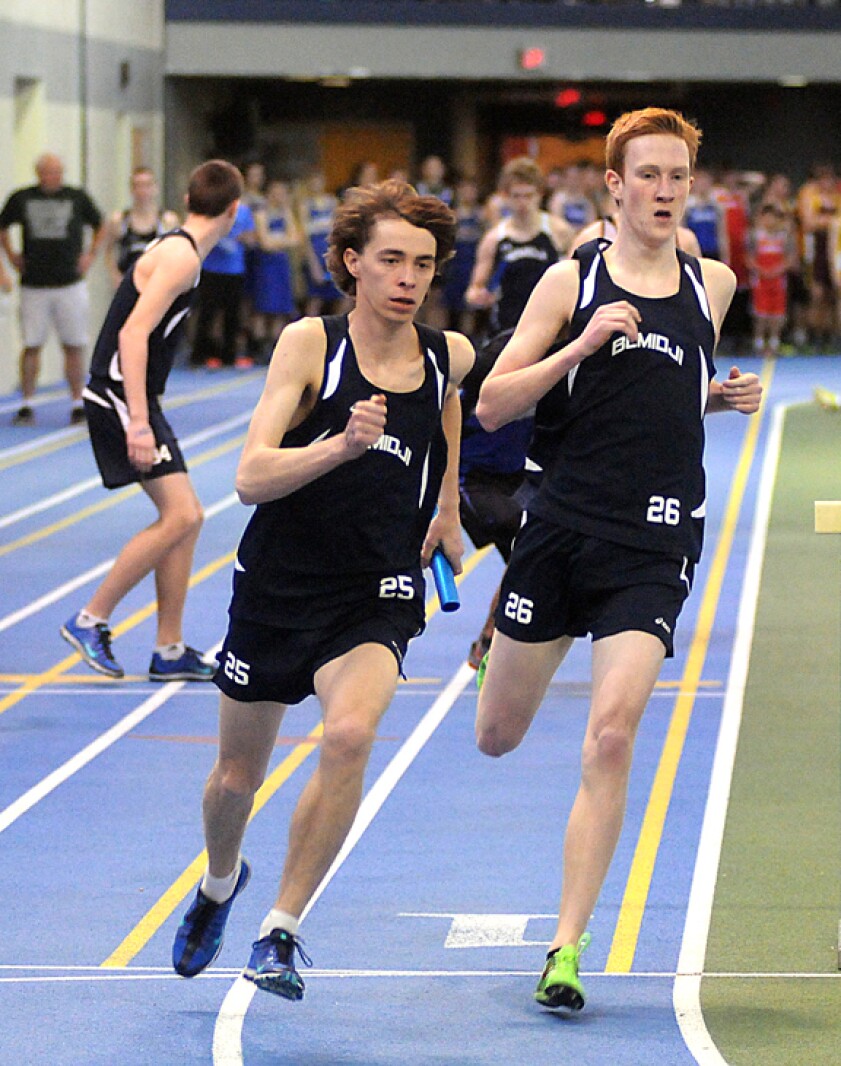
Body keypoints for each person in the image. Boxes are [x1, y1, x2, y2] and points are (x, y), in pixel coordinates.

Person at [472, 108, 762, 1013]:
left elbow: (664, 399)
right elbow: (490, 405)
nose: (667, 191)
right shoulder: (569, 283)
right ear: (615, 185)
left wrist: (718, 401)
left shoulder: (710, 283)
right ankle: (498, 628)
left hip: (655, 541)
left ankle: (564, 949)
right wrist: (583, 342)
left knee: (610, 733)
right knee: (496, 735)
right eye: (649, 175)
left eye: (679, 176)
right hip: (558, 528)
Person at [171, 179, 473, 1001]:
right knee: (235, 781)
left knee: (347, 737)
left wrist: (445, 505)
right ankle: (222, 882)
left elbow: (445, 408)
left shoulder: (449, 354)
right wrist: (339, 447)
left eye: (422, 262)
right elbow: (249, 475)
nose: (409, 277)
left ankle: (280, 929)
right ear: (351, 263)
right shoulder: (311, 344)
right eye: (390, 260)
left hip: (373, 592)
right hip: (277, 586)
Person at [59, 160, 244, 681]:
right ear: (234, 210)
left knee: (188, 517)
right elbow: (133, 335)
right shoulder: (180, 257)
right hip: (121, 395)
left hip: (133, 394)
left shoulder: (180, 247)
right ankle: (90, 618)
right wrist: (138, 422)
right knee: (181, 516)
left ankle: (168, 650)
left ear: (188, 200)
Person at [0, 153, 106, 425]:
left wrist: (90, 255)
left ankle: (77, 402)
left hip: (69, 283)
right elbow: (2, 226)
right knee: (32, 344)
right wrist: (11, 255)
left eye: (57, 172)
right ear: (38, 173)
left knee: (73, 344)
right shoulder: (21, 198)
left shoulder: (76, 197)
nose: (52, 177)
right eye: (47, 172)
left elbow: (100, 224)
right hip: (34, 284)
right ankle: (26, 402)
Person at [466, 156, 571, 337]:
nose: (523, 203)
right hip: (505, 328)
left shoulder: (559, 231)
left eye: (528, 195)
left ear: (540, 194)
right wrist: (479, 296)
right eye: (516, 196)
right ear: (505, 196)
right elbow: (474, 289)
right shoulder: (494, 238)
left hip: (550, 330)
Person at [189, 195, 256, 369]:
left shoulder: (244, 211)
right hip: (212, 268)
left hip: (235, 269)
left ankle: (229, 355)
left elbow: (251, 237)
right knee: (207, 312)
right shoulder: (211, 208)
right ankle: (200, 354)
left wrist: (240, 238)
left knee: (232, 314)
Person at [250, 179, 301, 364]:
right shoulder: (261, 212)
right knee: (263, 308)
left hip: (281, 265)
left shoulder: (285, 213)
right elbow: (265, 243)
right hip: (265, 265)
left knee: (281, 308)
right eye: (276, 192)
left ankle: (275, 346)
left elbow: (296, 238)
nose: (280, 196)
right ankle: (258, 346)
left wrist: (278, 239)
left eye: (283, 192)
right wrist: (283, 240)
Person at [103, 167, 179, 289]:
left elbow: (177, 254)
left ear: (155, 188)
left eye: (147, 185)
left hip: (158, 286)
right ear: (131, 190)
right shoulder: (119, 220)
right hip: (128, 285)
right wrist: (115, 276)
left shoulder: (168, 221)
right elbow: (108, 251)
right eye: (138, 186)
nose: (143, 191)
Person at [746, 202, 796, 357]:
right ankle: (759, 342)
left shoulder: (784, 236)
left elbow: (791, 257)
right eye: (766, 217)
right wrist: (760, 270)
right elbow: (748, 257)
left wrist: (778, 270)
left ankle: (774, 342)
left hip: (778, 279)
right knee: (760, 312)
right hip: (760, 279)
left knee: (777, 312)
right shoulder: (754, 236)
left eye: (773, 218)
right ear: (761, 218)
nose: (770, 221)